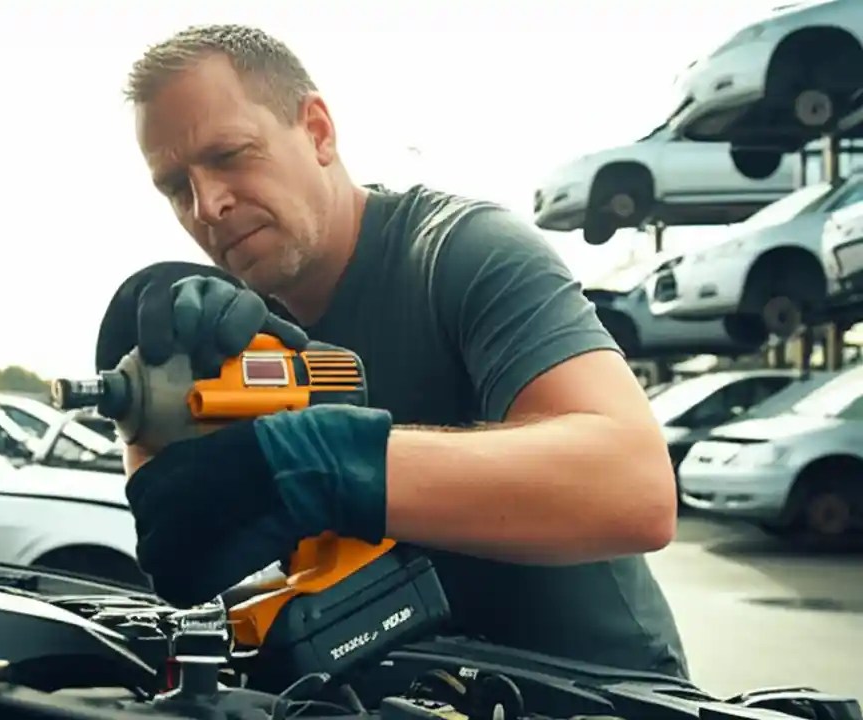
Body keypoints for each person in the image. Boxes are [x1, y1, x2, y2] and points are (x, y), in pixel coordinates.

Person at [92, 23, 689, 679]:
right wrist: (151, 404)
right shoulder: (228, 328)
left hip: (595, 695)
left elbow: (636, 488)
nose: (208, 205)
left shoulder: (460, 251)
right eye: (176, 187)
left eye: (230, 155)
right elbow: (176, 535)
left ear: (317, 131)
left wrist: (330, 464)